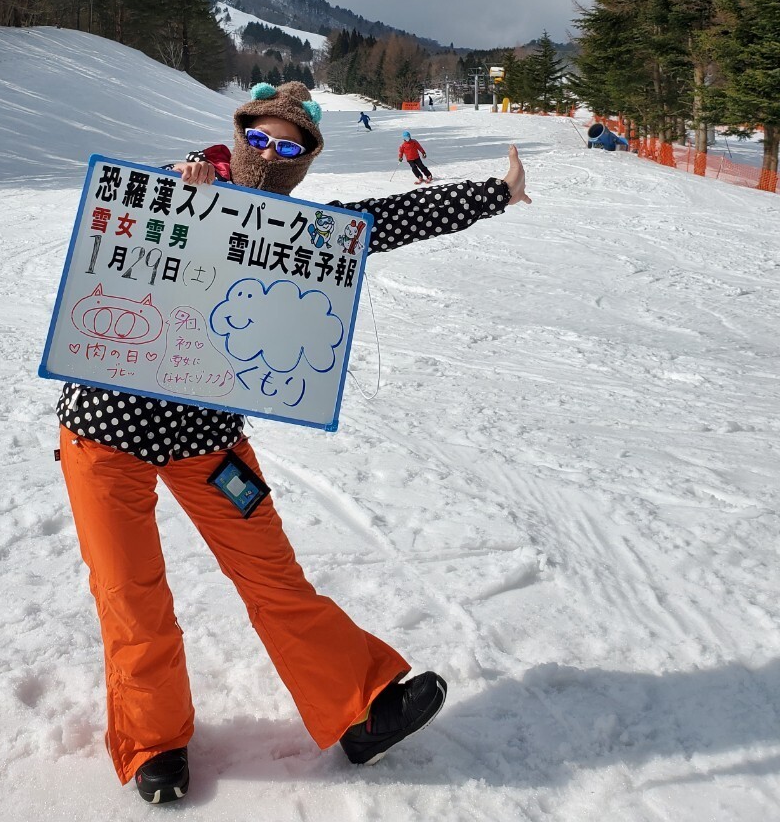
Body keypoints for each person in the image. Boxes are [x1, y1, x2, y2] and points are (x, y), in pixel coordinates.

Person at [56, 81, 531, 804]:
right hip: (104, 428)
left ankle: (361, 709)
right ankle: (154, 741)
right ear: (240, 133)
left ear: (305, 158)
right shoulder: (189, 189)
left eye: (290, 146)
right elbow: (131, 209)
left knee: (275, 580)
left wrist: (495, 194)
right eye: (261, 138)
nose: (270, 154)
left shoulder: (299, 240)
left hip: (204, 438)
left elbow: (392, 218)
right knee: (130, 592)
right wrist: (185, 180)